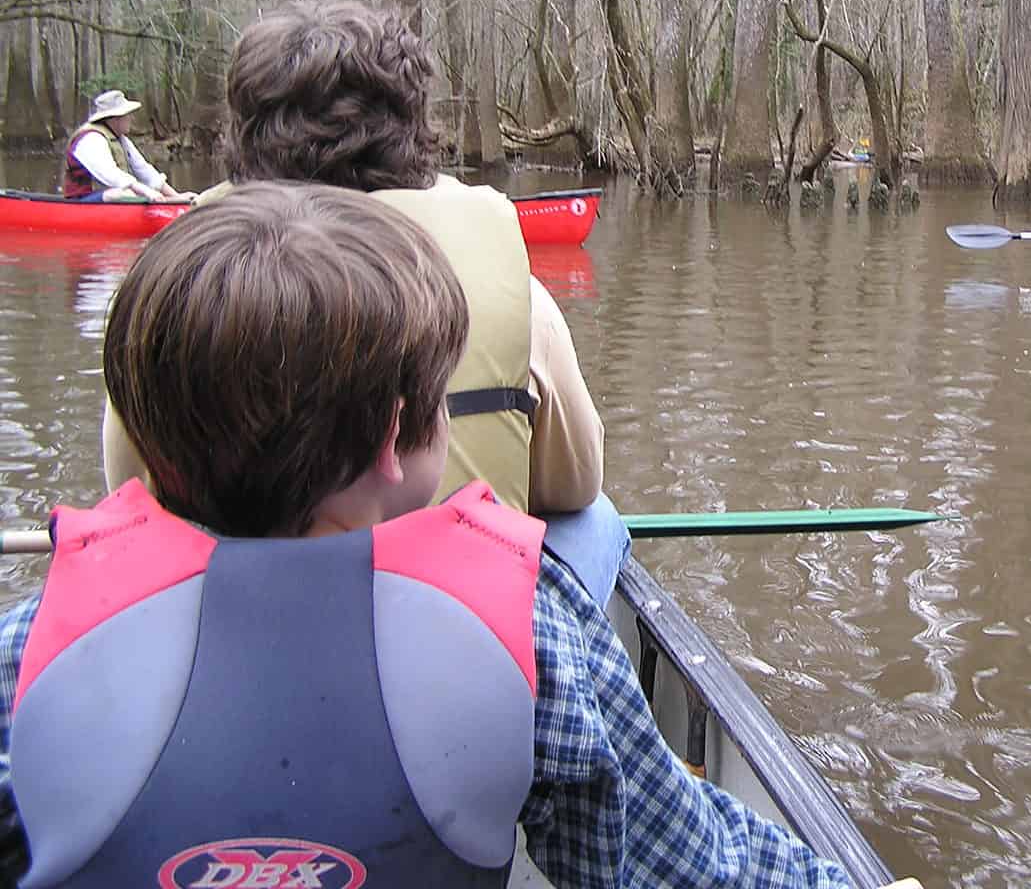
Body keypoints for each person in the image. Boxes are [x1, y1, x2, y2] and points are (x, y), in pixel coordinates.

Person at [0, 182, 858, 889]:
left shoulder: (26, 655)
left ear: (150, 444)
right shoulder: (529, 632)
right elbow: (679, 865)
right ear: (393, 439)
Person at [101, 1, 601, 519]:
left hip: (225, 589)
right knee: (594, 522)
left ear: (245, 133)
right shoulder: (519, 299)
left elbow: (127, 484)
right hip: (450, 585)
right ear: (412, 125)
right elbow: (575, 483)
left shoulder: (173, 296)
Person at [58, 90, 195, 203]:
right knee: (123, 194)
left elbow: (143, 169)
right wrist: (146, 191)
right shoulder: (90, 140)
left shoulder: (121, 139)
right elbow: (111, 174)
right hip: (80, 201)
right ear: (115, 119)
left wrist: (176, 197)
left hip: (109, 196)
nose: (131, 119)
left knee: (127, 193)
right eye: (127, 115)